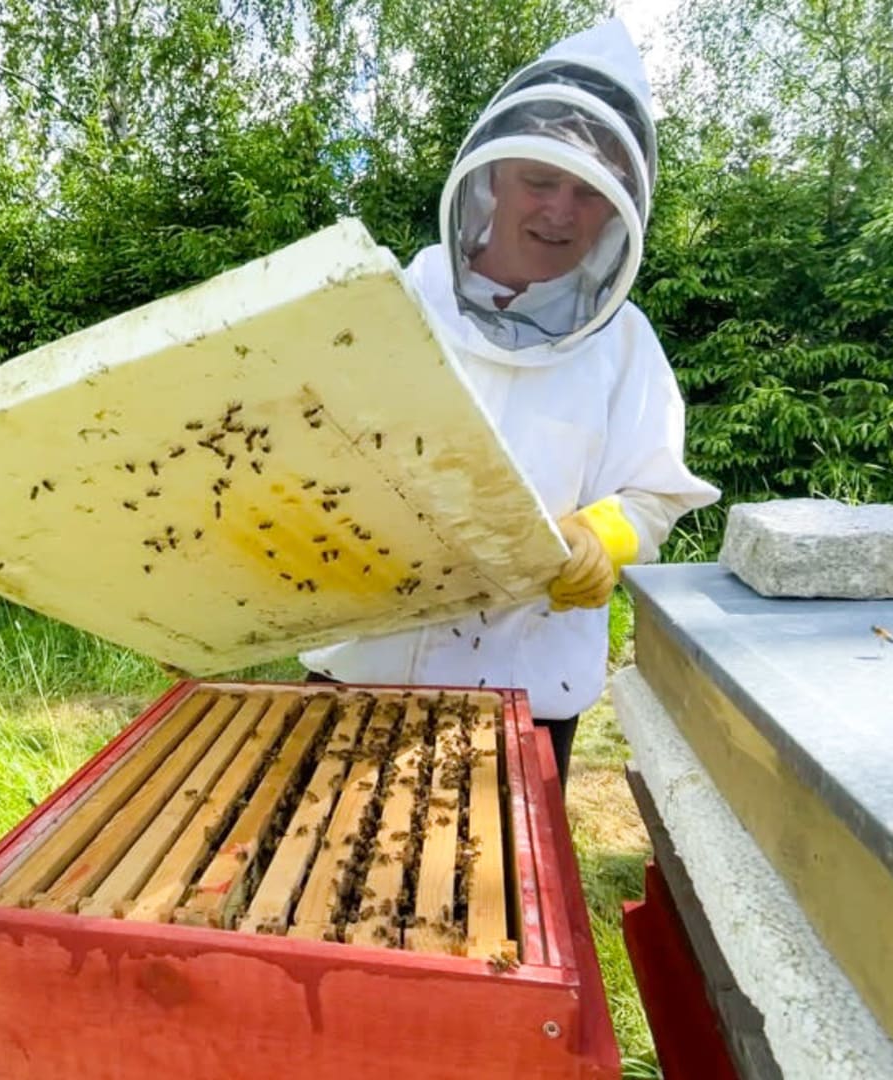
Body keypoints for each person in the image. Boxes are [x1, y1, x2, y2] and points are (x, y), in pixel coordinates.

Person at [300, 18, 719, 786]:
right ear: (493, 177)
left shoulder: (625, 345)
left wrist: (600, 536)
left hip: (523, 689)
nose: (562, 211)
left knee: (498, 908)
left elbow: (655, 494)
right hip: (359, 670)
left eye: (590, 193)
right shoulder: (387, 299)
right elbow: (293, 460)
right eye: (541, 181)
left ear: (619, 208)